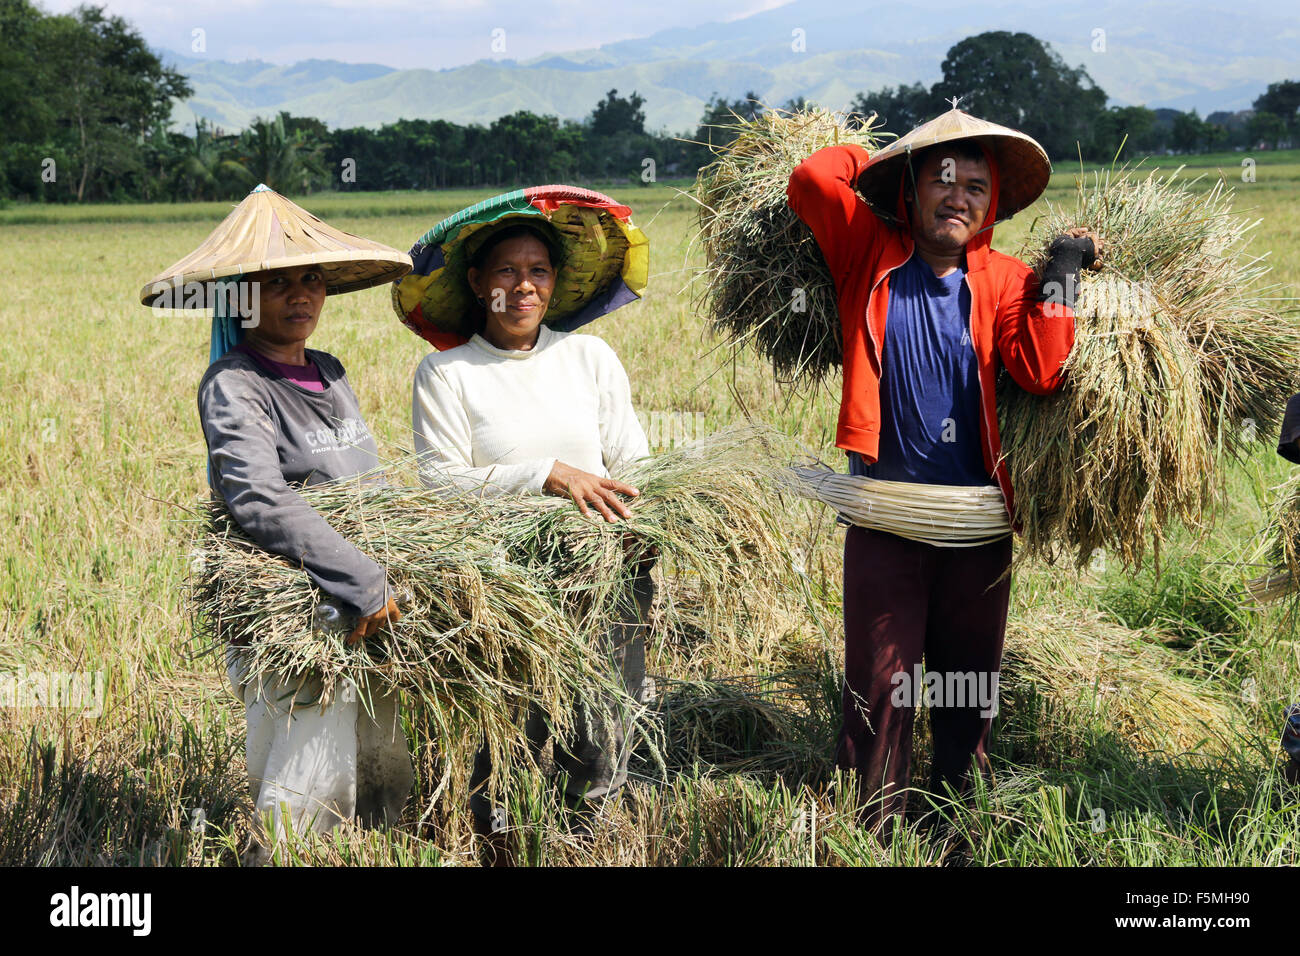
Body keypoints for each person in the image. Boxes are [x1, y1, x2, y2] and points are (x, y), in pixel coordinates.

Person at [787, 107, 1101, 834]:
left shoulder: (1008, 278)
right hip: (885, 518)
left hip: (977, 525)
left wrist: (1062, 268)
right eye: (944, 177)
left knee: (967, 687)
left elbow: (1045, 368)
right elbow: (811, 177)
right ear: (912, 190)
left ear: (991, 208)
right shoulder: (867, 250)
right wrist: (882, 150)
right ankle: (875, 830)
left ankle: (958, 821)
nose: (960, 196)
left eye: (977, 188)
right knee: (880, 684)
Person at [141, 184, 415, 863]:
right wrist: (360, 575)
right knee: (305, 769)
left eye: (311, 279)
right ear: (239, 295)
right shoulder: (235, 383)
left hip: (369, 593)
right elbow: (257, 498)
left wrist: (396, 554)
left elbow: (363, 482)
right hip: (304, 603)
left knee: (380, 756)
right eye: (277, 282)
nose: (301, 295)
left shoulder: (329, 370)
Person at [395, 189, 652, 855]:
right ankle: (500, 848)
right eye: (506, 271)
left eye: (538, 270)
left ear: (555, 283)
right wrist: (546, 473)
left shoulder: (589, 359)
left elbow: (633, 460)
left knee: (598, 729)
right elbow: (442, 483)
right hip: (500, 585)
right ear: (478, 284)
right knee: (504, 737)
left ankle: (585, 844)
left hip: (599, 573)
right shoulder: (447, 373)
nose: (524, 284)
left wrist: (638, 520)